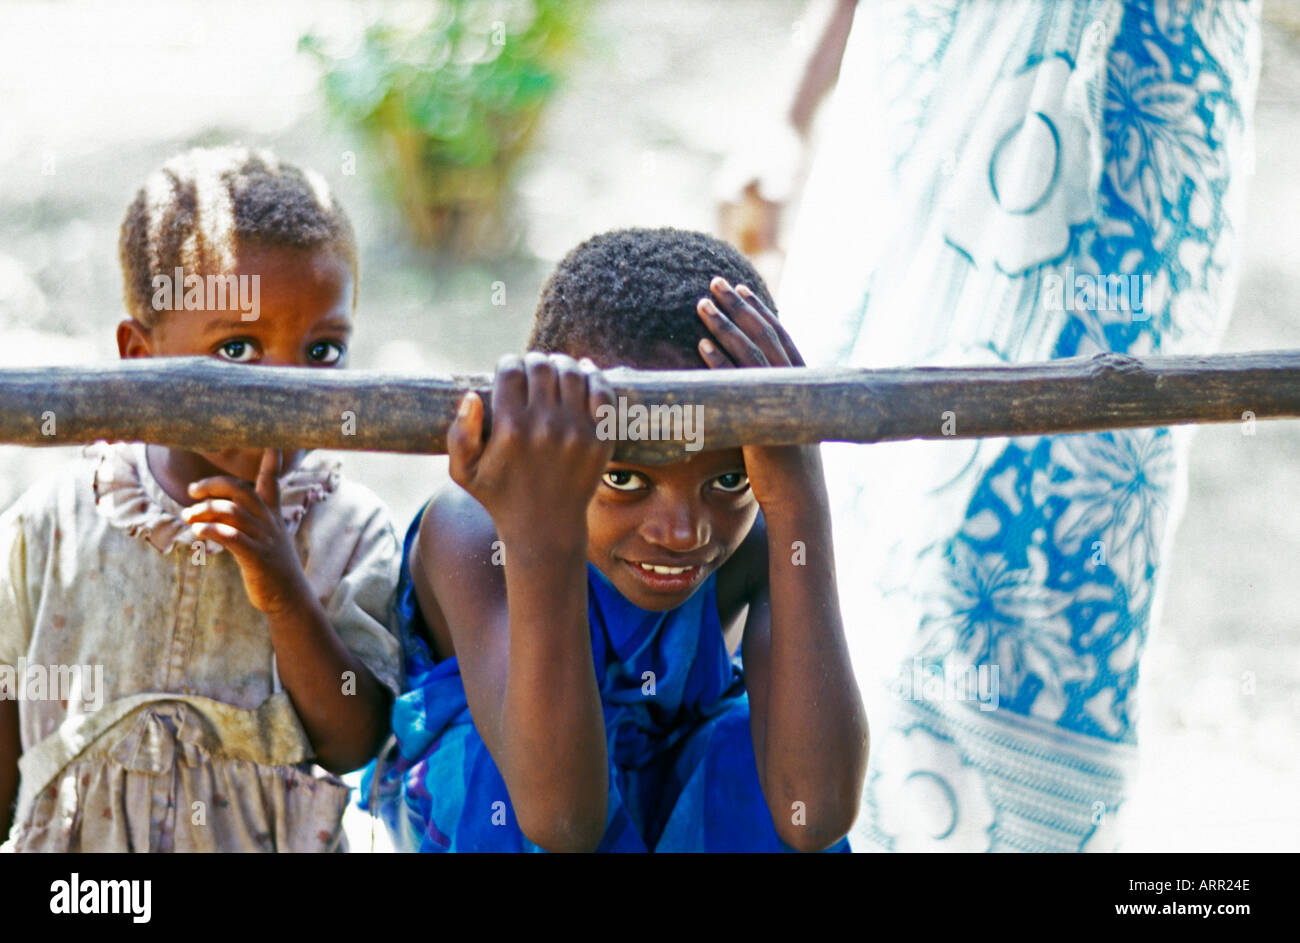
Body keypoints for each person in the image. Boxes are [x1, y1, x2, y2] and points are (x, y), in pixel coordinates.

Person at [723, 0, 1260, 850]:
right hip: (919, 107)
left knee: (1028, 557)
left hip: (1124, 120)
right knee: (857, 503)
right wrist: (794, 108)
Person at [362, 228, 868, 852]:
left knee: (743, 745)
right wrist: (539, 540)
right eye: (625, 477)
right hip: (517, 807)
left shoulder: (763, 533)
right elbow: (562, 825)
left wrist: (800, 500)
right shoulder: (473, 531)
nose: (683, 532)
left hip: (669, 809)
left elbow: (813, 814)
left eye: (730, 477)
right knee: (495, 771)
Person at [0, 146, 402, 852]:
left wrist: (285, 593)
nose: (289, 394)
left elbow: (352, 739)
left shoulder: (346, 530)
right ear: (140, 359)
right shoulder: (52, 525)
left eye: (322, 351)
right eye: (240, 348)